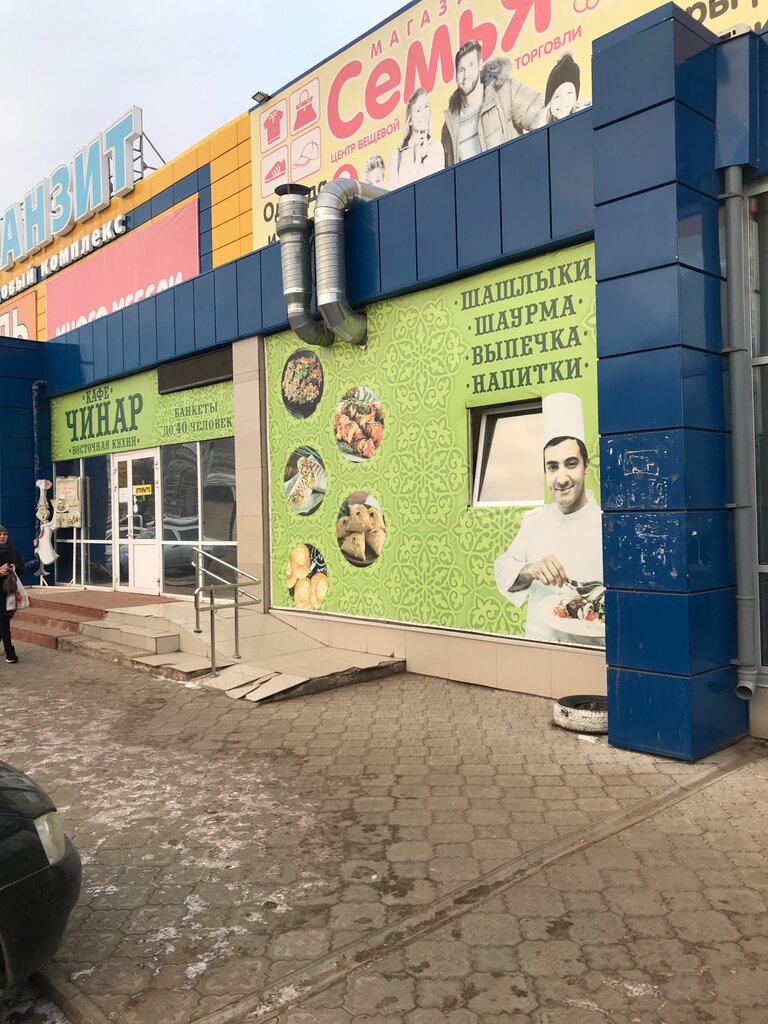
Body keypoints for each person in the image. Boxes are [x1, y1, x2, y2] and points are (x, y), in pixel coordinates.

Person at [494, 394, 603, 645]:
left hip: (592, 654)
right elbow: (502, 569)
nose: (561, 478)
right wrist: (530, 569)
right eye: (553, 467)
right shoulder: (534, 522)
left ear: (586, 466)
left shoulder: (607, 524)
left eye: (571, 464)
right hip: (539, 649)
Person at [441, 39, 546, 167]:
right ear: (456, 75)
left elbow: (544, 117)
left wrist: (525, 168)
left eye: (471, 65)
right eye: (461, 69)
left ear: (480, 65)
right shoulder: (448, 128)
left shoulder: (505, 92)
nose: (466, 75)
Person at [388, 88, 445, 188]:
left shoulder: (437, 147)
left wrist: (425, 157)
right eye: (418, 110)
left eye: (426, 107)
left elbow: (439, 184)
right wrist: (417, 161)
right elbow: (394, 193)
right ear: (410, 120)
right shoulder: (396, 157)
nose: (424, 114)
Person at [0, 526, 24, 664]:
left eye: (5, 534)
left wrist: (14, 568)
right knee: (4, 620)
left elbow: (22, 568)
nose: (2, 537)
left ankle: (9, 652)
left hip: (8, 592)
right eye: (0, 534)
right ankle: (10, 653)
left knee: (4, 619)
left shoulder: (12, 550)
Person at [544, 53, 587, 123]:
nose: (563, 101)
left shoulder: (585, 119)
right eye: (557, 96)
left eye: (569, 93)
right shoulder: (539, 127)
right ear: (549, 104)